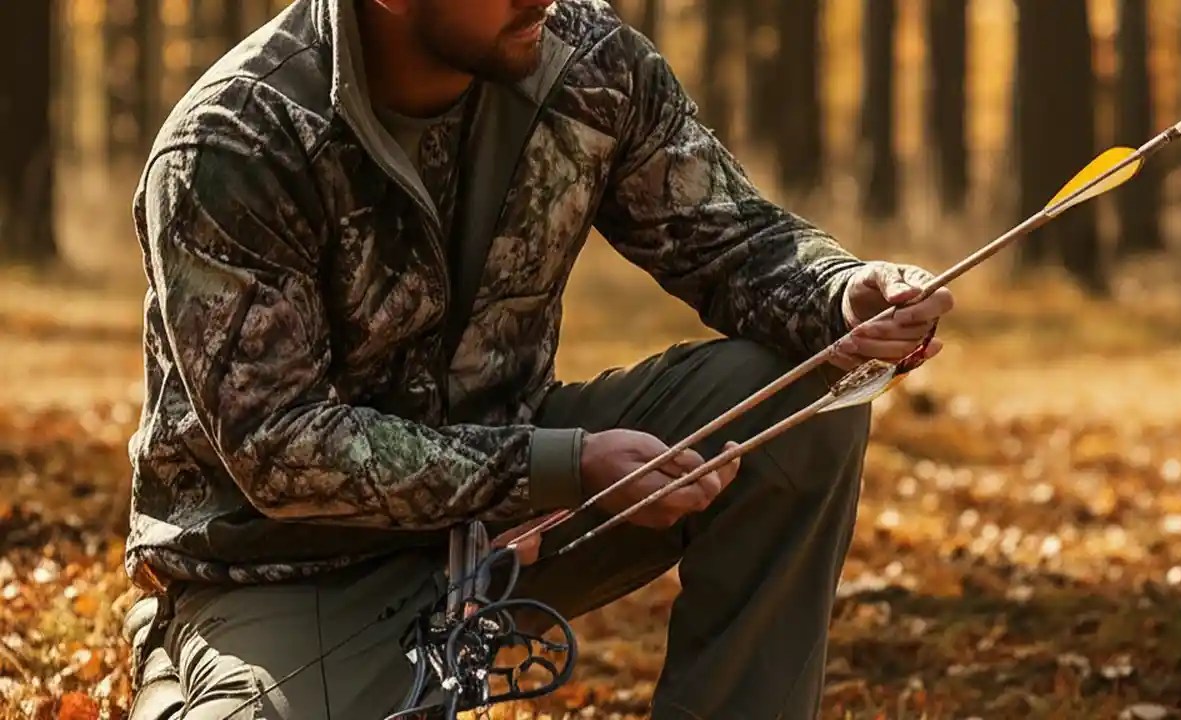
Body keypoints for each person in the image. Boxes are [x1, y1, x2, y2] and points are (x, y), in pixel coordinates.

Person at [121, 0, 956, 718]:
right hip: (287, 567)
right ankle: (181, 667)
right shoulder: (234, 142)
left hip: (519, 520)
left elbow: (733, 241)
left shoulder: (587, 65)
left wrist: (845, 292)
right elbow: (281, 448)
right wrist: (560, 465)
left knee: (790, 405)